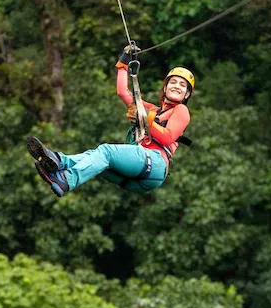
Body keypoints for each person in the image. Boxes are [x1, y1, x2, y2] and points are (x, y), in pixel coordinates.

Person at [26, 46, 194, 197]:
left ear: (186, 94)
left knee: (106, 151)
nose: (177, 86)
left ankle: (66, 179)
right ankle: (59, 162)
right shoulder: (151, 109)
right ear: (165, 87)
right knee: (96, 157)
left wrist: (145, 118)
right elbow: (123, 92)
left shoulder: (181, 110)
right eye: (173, 82)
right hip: (137, 175)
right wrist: (125, 61)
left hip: (155, 163)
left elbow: (167, 137)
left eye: (182, 85)